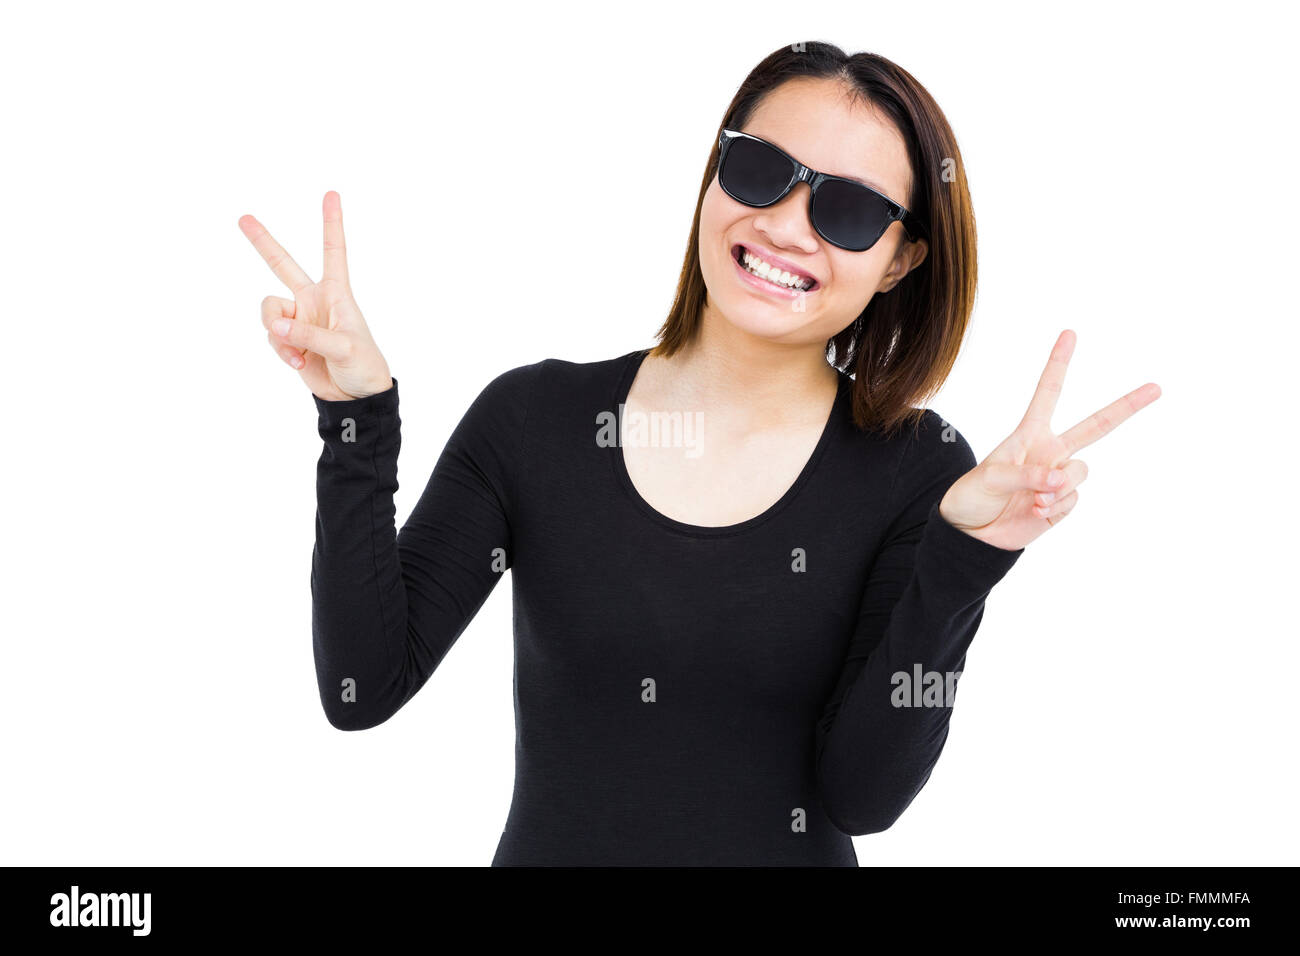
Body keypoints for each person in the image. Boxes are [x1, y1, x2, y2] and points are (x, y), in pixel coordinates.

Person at [239, 43, 1160, 866]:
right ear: (715, 176)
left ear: (900, 261)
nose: (789, 226)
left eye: (848, 210)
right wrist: (356, 417)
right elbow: (363, 687)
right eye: (760, 170)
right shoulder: (536, 419)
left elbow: (863, 799)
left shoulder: (920, 472)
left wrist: (964, 564)